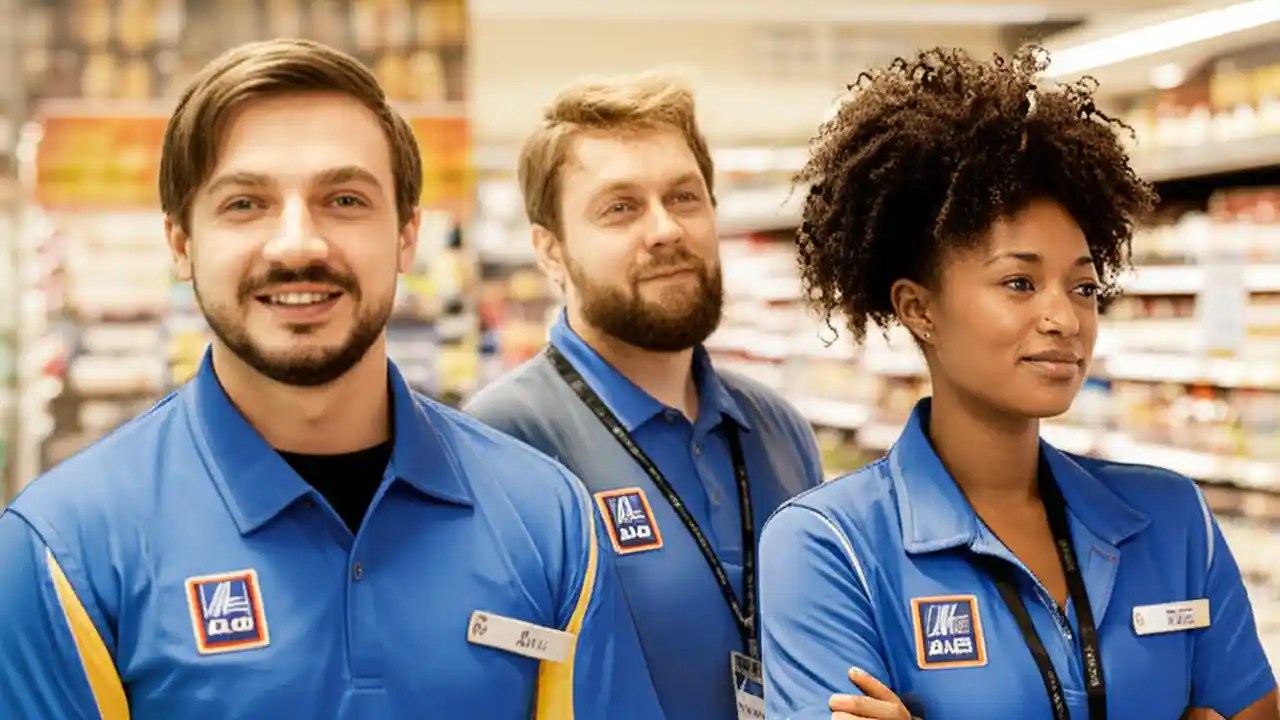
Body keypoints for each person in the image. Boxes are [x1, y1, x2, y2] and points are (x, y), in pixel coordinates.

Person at [0, 38, 664, 719]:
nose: (298, 244)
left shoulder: (548, 519)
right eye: (244, 204)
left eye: (344, 199)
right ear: (180, 243)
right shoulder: (65, 549)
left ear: (407, 235)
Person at [758, 46, 1279, 720]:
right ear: (919, 308)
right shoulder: (829, 547)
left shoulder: (1172, 519)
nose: (1064, 318)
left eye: (1084, 286)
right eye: (1018, 283)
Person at [464, 70, 826, 719]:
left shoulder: (778, 430)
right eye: (620, 207)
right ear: (551, 251)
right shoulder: (500, 442)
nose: (665, 230)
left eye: (685, 197)